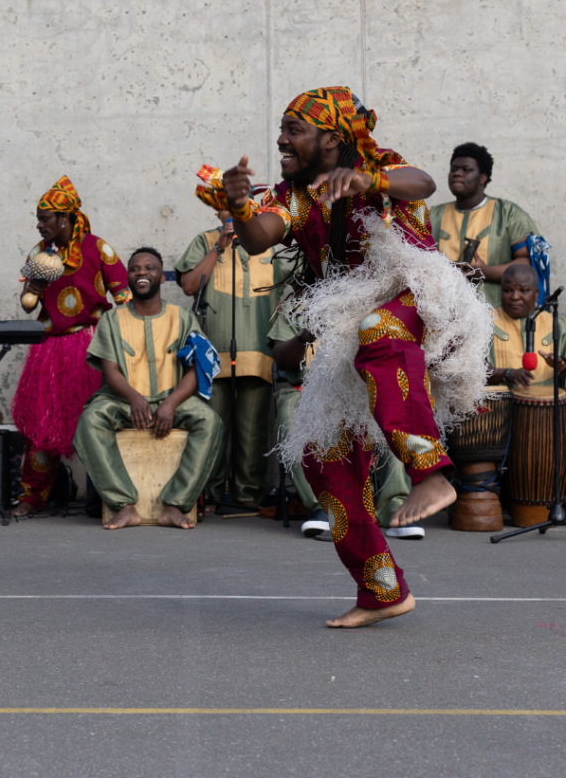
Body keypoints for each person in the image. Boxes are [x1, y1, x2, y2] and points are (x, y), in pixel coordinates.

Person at [217, 86, 490, 628]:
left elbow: (424, 183)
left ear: (331, 139)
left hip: (423, 301)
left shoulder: (380, 166)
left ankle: (431, 470)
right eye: (283, 128)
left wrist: (371, 181)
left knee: (379, 324)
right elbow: (255, 238)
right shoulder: (296, 195)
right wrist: (238, 203)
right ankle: (382, 589)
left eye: (294, 130)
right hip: (357, 333)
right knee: (324, 455)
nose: (281, 139)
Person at [73, 249, 224, 530]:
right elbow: (110, 370)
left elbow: (196, 370)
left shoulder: (183, 318)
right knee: (90, 420)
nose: (142, 273)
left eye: (149, 268)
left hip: (172, 401)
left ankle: (175, 504)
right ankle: (123, 505)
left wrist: (171, 403)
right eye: (135, 268)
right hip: (124, 401)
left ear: (161, 275)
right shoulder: (111, 319)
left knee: (210, 421)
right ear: (128, 276)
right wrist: (134, 398)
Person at [11, 177, 131, 516]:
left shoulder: (97, 247)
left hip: (91, 347)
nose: (39, 224)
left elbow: (124, 299)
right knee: (41, 426)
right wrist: (32, 285)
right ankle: (32, 497)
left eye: (44, 218)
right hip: (48, 349)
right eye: (38, 218)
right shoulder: (39, 253)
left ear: (64, 218)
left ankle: (105, 497)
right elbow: (27, 305)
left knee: (96, 422)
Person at [269, 285, 423, 541]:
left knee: (391, 398)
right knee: (287, 409)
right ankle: (325, 505)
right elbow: (281, 359)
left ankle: (393, 504)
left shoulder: (372, 297)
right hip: (307, 392)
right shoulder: (297, 306)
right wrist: (304, 337)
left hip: (359, 390)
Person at [176, 193, 287, 513]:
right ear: (217, 210)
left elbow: (283, 295)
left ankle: (247, 493)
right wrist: (219, 248)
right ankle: (209, 491)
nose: (232, 212)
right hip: (213, 350)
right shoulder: (206, 240)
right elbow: (188, 285)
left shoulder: (268, 245)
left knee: (253, 428)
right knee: (214, 424)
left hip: (259, 348)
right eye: (226, 206)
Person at [430, 142, 537, 307]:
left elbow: (529, 264)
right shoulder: (433, 215)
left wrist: (486, 272)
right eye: (453, 169)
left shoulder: (508, 213)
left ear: (482, 177)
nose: (457, 174)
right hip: (440, 313)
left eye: (466, 169)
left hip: (495, 317)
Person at [487, 262, 566, 395]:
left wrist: (562, 365)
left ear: (536, 294)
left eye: (523, 290)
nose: (515, 297)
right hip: (500, 411)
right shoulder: (484, 322)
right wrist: (506, 374)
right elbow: (470, 370)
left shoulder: (558, 324)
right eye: (507, 290)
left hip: (549, 411)